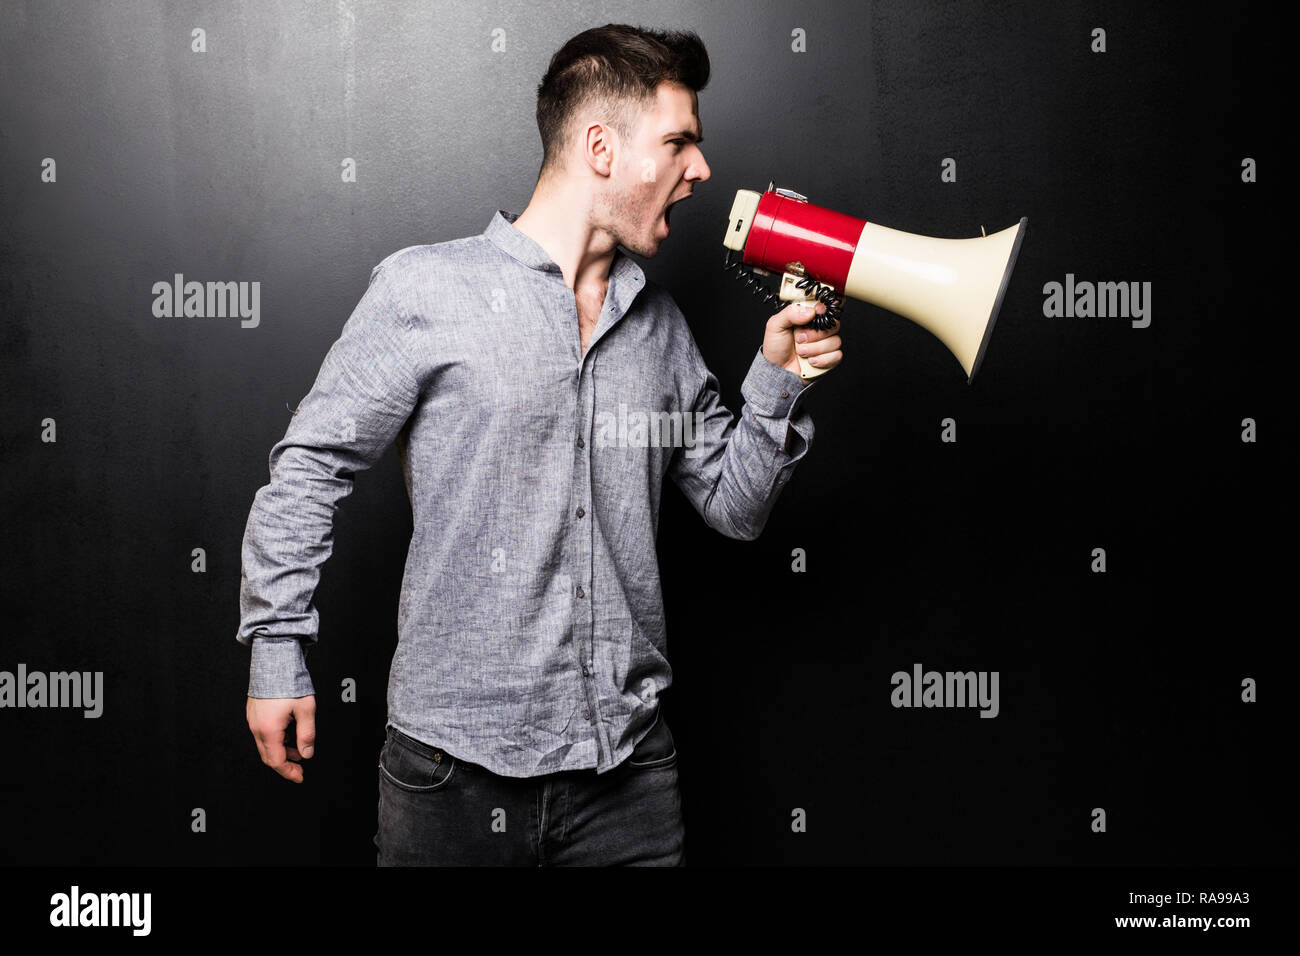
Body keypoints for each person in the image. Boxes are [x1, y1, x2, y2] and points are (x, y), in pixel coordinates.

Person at [237, 23, 844, 866]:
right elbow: (309, 467)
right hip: (450, 779)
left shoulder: (661, 328)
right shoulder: (426, 289)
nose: (700, 170)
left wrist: (777, 378)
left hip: (630, 785)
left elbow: (735, 513)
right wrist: (277, 651)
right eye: (678, 143)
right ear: (601, 146)